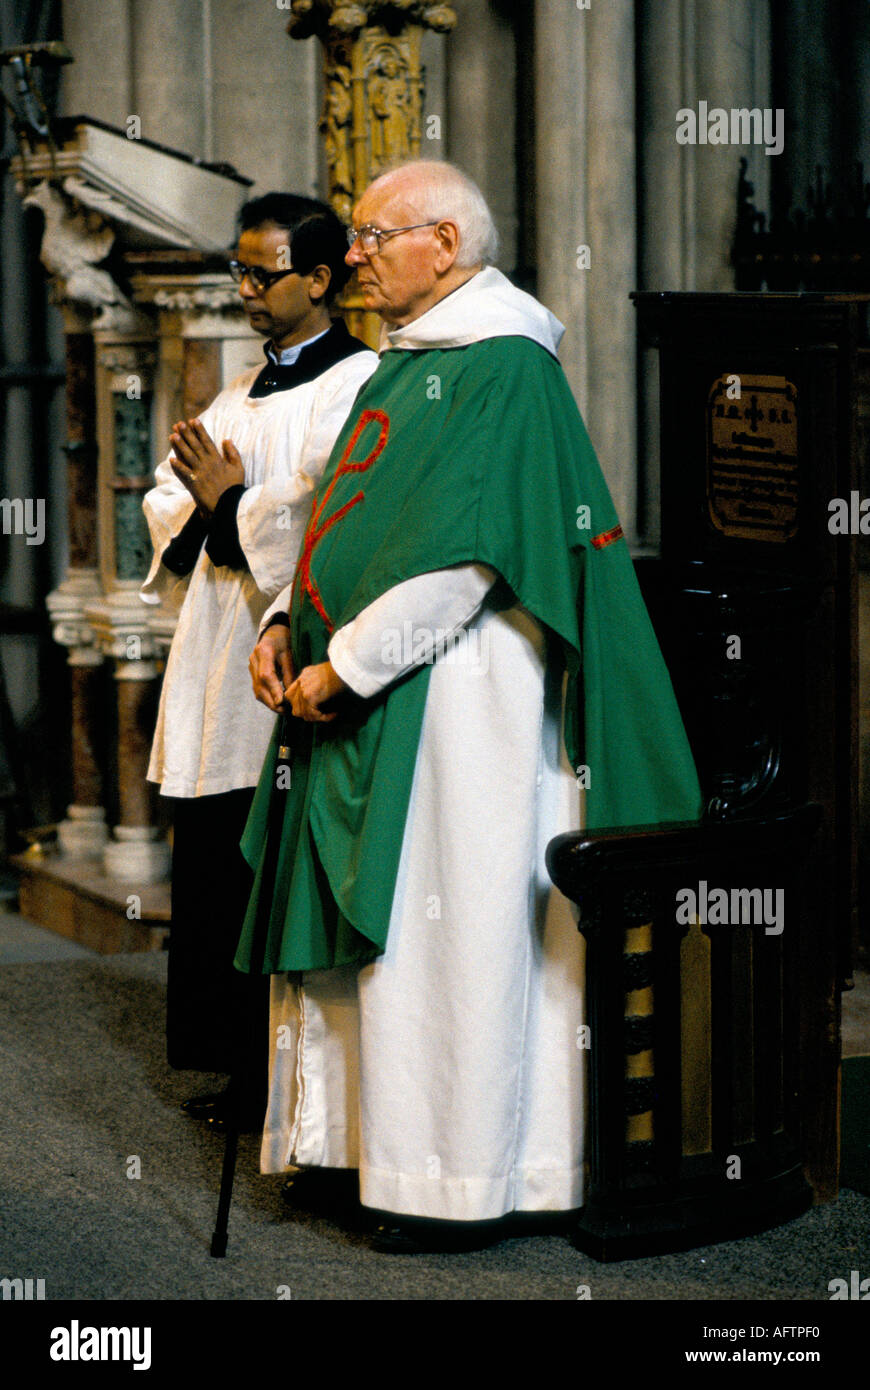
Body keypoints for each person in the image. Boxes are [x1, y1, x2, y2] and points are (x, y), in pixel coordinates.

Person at [238, 162, 702, 1247]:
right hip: (376, 678)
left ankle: (455, 1179)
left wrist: (346, 665)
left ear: (443, 244)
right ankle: (357, 1150)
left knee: (448, 931)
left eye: (372, 235)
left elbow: (468, 560)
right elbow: (336, 519)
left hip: (460, 704)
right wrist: (277, 624)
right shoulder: (405, 366)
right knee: (397, 929)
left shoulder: (504, 369)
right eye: (354, 236)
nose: (353, 255)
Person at [140, 193, 378, 1129]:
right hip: (213, 652)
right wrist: (216, 502)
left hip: (282, 654)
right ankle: (230, 1058)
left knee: (262, 866)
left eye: (260, 272)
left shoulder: (356, 384)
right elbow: (172, 498)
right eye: (236, 269)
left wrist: (230, 499)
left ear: (320, 279)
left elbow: (324, 513)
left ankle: (280, 1078)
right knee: (210, 862)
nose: (243, 287)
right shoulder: (239, 392)